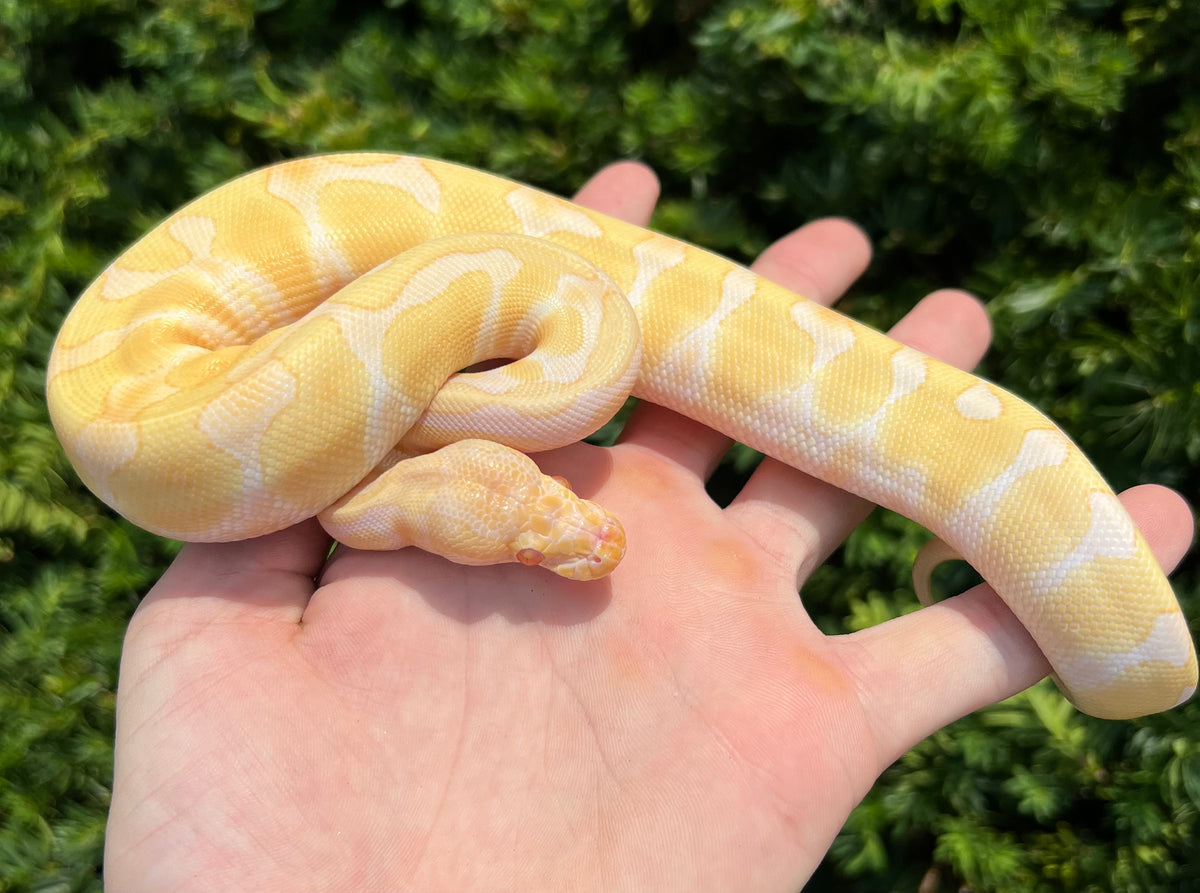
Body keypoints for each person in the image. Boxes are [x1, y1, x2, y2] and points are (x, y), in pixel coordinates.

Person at [102, 161, 1194, 892]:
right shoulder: (377, 454)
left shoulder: (386, 449)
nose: (572, 529)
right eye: (539, 534)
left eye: (540, 513)